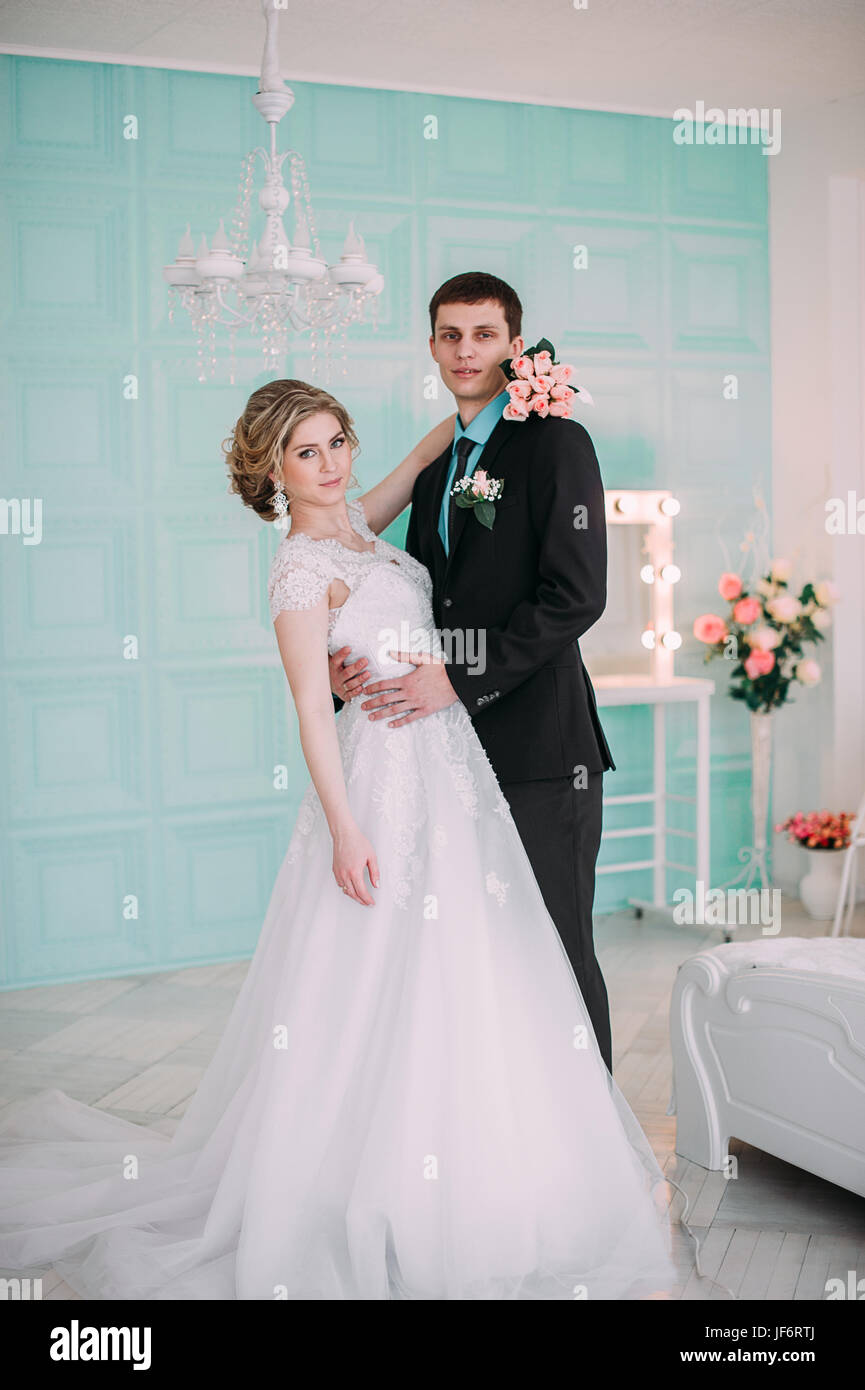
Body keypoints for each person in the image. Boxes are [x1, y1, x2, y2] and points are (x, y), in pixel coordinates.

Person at [0, 379, 674, 1301]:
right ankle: (356, 1178)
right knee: (370, 972)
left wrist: (521, 390)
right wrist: (345, 829)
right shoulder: (299, 567)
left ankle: (480, 1161)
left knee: (471, 962)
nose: (330, 464)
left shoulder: (361, 521)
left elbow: (433, 449)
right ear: (274, 470)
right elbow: (313, 717)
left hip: (449, 768)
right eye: (307, 453)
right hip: (377, 781)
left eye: (337, 442)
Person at [330, 271, 616, 1071]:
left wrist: (456, 679)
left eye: (483, 335)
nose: (465, 351)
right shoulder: (437, 468)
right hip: (445, 754)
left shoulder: (556, 440)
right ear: (431, 346)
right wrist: (350, 667)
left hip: (541, 753)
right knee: (473, 956)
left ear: (514, 347)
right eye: (450, 335)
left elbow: (575, 597)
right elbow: (414, 594)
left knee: (556, 948)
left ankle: (594, 1154)